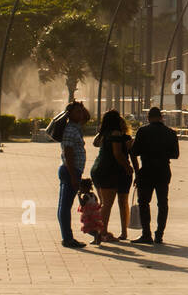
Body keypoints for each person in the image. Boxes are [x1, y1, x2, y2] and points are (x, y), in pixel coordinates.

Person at [130, 106, 180, 245]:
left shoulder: (142, 131)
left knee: (144, 202)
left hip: (146, 170)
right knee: (162, 203)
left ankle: (146, 234)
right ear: (161, 117)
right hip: (163, 171)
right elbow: (175, 154)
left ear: (148, 118)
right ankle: (159, 235)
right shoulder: (170, 133)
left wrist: (137, 171)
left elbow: (133, 152)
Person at [90, 109, 133, 241]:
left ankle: (101, 231)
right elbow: (117, 154)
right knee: (107, 205)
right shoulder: (115, 133)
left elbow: (95, 143)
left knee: (105, 203)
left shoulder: (104, 134)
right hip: (109, 170)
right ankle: (101, 233)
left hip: (98, 169)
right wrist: (128, 167)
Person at [57, 100, 89, 249]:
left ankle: (67, 237)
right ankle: (68, 238)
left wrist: (80, 107)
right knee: (65, 207)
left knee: (63, 206)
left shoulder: (75, 127)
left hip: (72, 170)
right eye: (77, 112)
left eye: (80, 111)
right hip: (71, 170)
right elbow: (68, 153)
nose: (81, 114)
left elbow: (87, 117)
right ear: (70, 114)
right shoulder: (70, 130)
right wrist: (73, 176)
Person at [77, 180, 105, 245]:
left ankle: (96, 235)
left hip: (88, 215)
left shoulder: (85, 196)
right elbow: (96, 201)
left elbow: (82, 204)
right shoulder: (93, 194)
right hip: (95, 214)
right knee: (94, 226)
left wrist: (79, 196)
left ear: (85, 188)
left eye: (81, 187)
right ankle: (96, 239)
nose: (80, 189)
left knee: (87, 228)